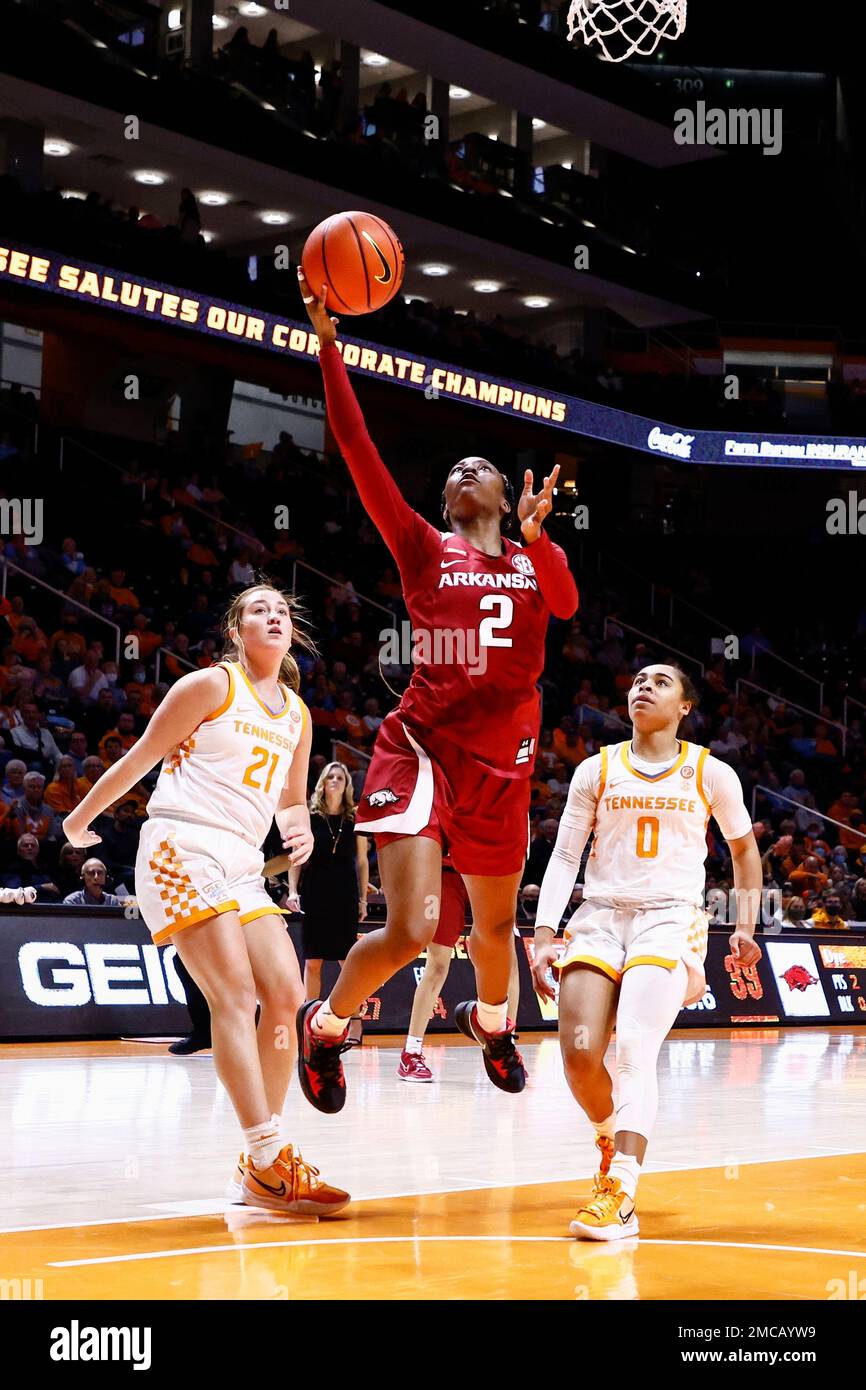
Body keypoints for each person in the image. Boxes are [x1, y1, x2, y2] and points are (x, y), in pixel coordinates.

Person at [295, 270, 578, 1113]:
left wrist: (540, 543)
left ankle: (492, 1022)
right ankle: (328, 1027)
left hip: (504, 760)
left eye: (480, 464)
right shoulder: (423, 548)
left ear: (503, 495)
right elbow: (356, 450)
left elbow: (564, 604)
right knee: (417, 927)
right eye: (454, 467)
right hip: (420, 747)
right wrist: (329, 344)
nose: (465, 470)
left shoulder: (533, 562)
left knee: (495, 930)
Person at [62, 581, 349, 1217]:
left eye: (281, 611)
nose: (272, 617)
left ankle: (261, 1166)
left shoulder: (298, 715)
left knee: (286, 995)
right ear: (237, 630)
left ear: (290, 631)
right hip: (181, 845)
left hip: (244, 861)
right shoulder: (209, 686)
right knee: (235, 994)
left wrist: (299, 826)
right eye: (258, 611)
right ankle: (272, 1156)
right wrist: (79, 822)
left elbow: (290, 797)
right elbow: (143, 756)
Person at [532, 664, 762, 1241]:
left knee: (634, 1045)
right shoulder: (598, 768)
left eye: (660, 682)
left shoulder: (711, 772)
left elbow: (743, 851)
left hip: (670, 917)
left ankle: (622, 1194)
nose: (643, 686)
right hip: (601, 917)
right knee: (580, 1054)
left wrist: (745, 925)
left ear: (684, 707)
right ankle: (611, 1138)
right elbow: (564, 857)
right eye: (636, 679)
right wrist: (542, 933)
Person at [398, 859, 521, 1081]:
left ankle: (506, 1047)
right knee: (437, 965)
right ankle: (412, 1051)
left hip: (491, 870)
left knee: (507, 962)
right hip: (448, 872)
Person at [276, 761, 369, 1003]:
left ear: (347, 784)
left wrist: (363, 899)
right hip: (316, 888)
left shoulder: (354, 817)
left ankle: (352, 1020)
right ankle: (309, 1017)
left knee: (347, 959)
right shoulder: (310, 816)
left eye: (340, 777)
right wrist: (293, 891)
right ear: (323, 784)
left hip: (345, 891)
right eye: (331, 777)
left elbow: (361, 861)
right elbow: (296, 858)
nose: (336, 781)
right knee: (312, 959)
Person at [62, 858, 127, 907]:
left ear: (106, 878)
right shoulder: (72, 901)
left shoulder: (113, 901)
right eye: (91, 873)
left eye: (100, 873)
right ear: (82, 877)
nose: (96, 877)